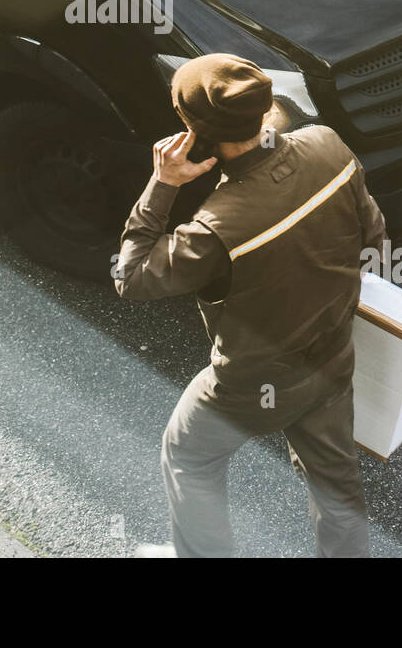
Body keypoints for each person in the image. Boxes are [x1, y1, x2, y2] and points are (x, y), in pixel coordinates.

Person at [114, 52, 387, 557]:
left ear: (195, 133)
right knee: (337, 486)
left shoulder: (216, 226)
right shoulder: (328, 146)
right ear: (265, 109)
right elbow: (373, 238)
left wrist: (164, 184)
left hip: (248, 386)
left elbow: (130, 277)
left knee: (188, 457)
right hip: (331, 357)